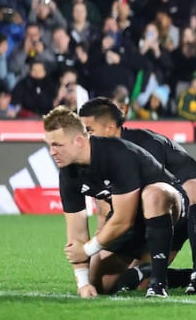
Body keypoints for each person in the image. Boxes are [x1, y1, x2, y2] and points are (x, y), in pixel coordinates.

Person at [78, 97, 196, 295]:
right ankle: (193, 275)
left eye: (89, 130)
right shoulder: (99, 156)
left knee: (184, 190)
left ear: (110, 128)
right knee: (109, 283)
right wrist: (103, 239)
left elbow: (158, 195)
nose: (84, 137)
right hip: (159, 217)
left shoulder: (145, 145)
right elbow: (107, 204)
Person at [44, 106, 186, 298]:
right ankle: (177, 275)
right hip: (133, 217)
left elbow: (122, 220)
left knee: (153, 194)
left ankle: (158, 283)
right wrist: (83, 283)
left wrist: (87, 249)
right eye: (49, 145)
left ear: (79, 141)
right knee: (100, 285)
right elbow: (76, 234)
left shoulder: (117, 154)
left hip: (170, 211)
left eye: (57, 145)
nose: (52, 152)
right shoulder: (68, 173)